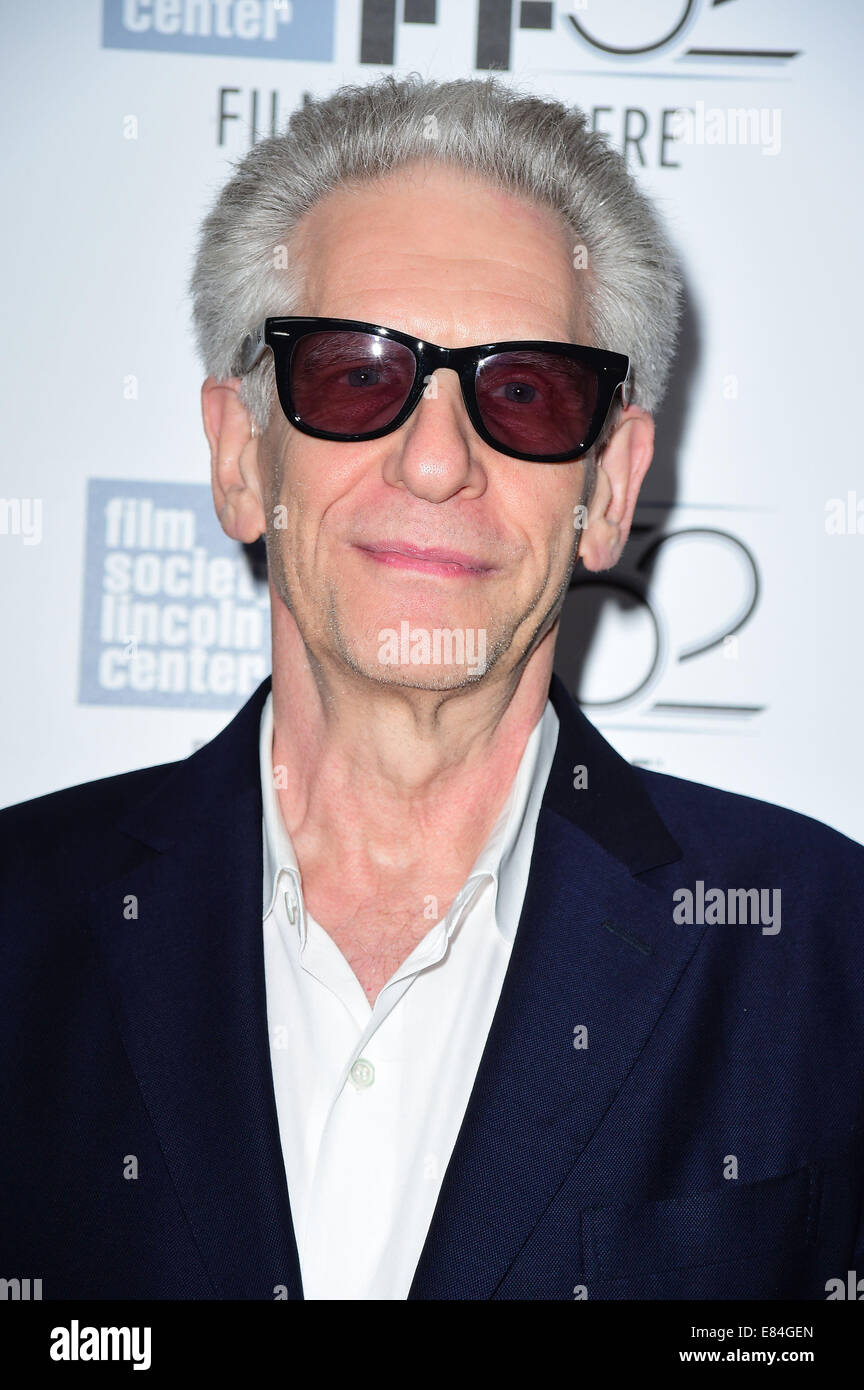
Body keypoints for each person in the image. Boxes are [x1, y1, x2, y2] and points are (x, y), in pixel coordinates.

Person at [2, 74, 862, 1302]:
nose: (439, 457)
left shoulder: (825, 953)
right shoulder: (19, 928)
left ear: (609, 488)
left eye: (524, 391)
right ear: (242, 458)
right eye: (357, 374)